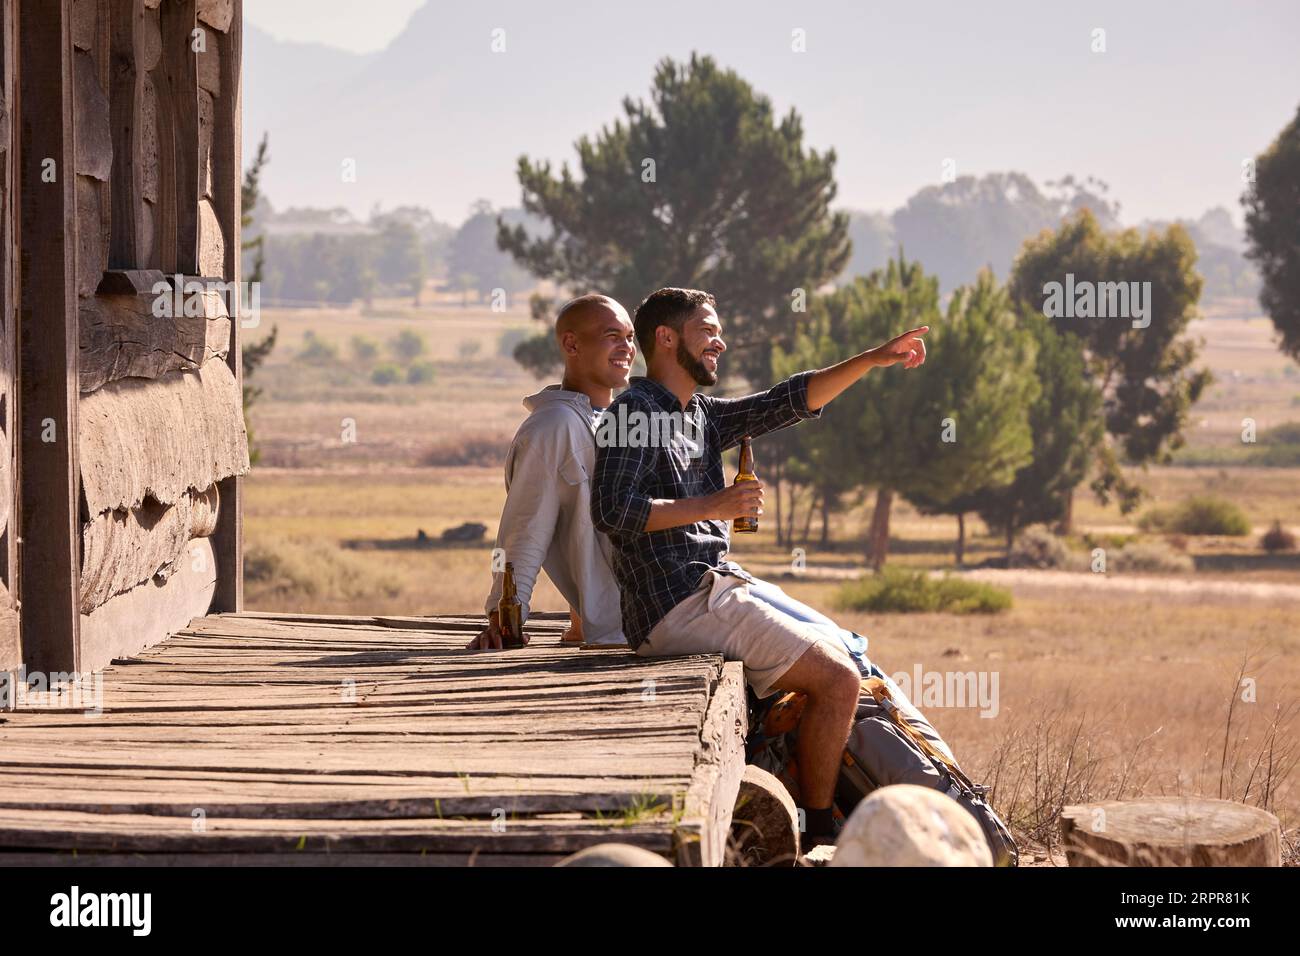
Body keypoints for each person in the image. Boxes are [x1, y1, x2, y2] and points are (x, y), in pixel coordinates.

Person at [591, 287, 929, 847]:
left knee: (848, 652)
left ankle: (811, 797)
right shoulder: (635, 410)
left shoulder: (695, 413)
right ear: (667, 339)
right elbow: (610, 509)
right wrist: (713, 507)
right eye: (707, 331)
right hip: (677, 605)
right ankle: (819, 837)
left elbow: (786, 400)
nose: (720, 341)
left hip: (715, 589)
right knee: (839, 679)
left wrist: (871, 360)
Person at [469, 293, 636, 649]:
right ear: (571, 344)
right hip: (628, 628)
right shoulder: (554, 426)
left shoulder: (620, 420)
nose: (626, 347)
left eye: (630, 337)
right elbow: (524, 529)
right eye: (612, 335)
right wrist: (506, 618)